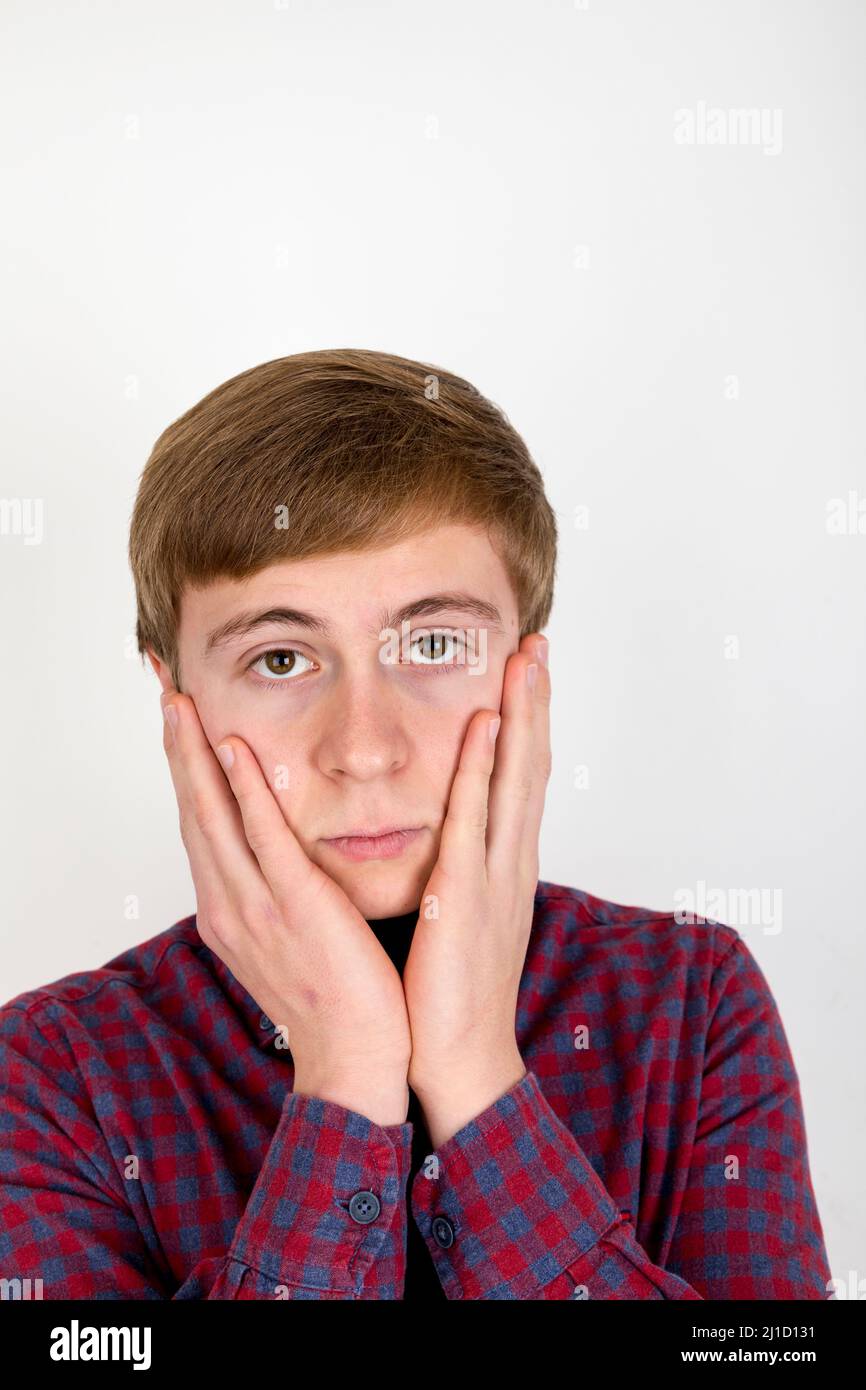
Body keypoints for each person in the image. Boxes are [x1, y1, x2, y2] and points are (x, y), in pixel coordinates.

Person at [0, 349, 831, 1299]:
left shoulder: (694, 1002)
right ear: (174, 697)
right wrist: (346, 1077)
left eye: (433, 643)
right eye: (280, 659)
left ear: (529, 675)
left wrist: (476, 1077)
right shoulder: (50, 1079)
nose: (364, 748)